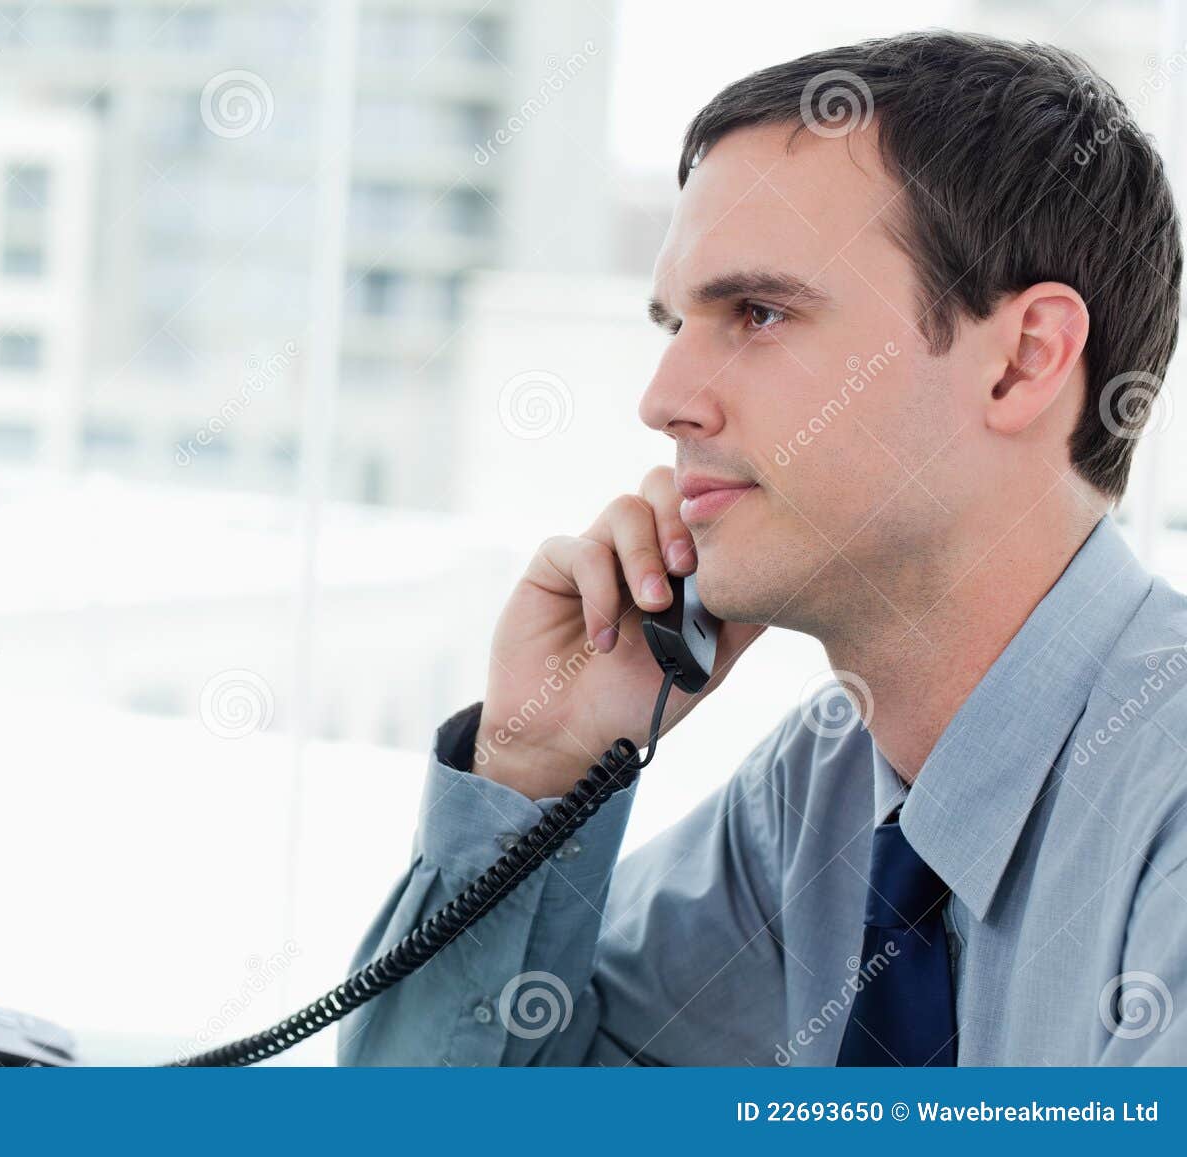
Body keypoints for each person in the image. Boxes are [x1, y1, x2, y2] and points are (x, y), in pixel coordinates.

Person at [338, 30, 1187, 1066]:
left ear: (1021, 361)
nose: (663, 401)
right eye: (674, 325)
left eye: (759, 312)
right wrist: (536, 765)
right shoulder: (819, 790)